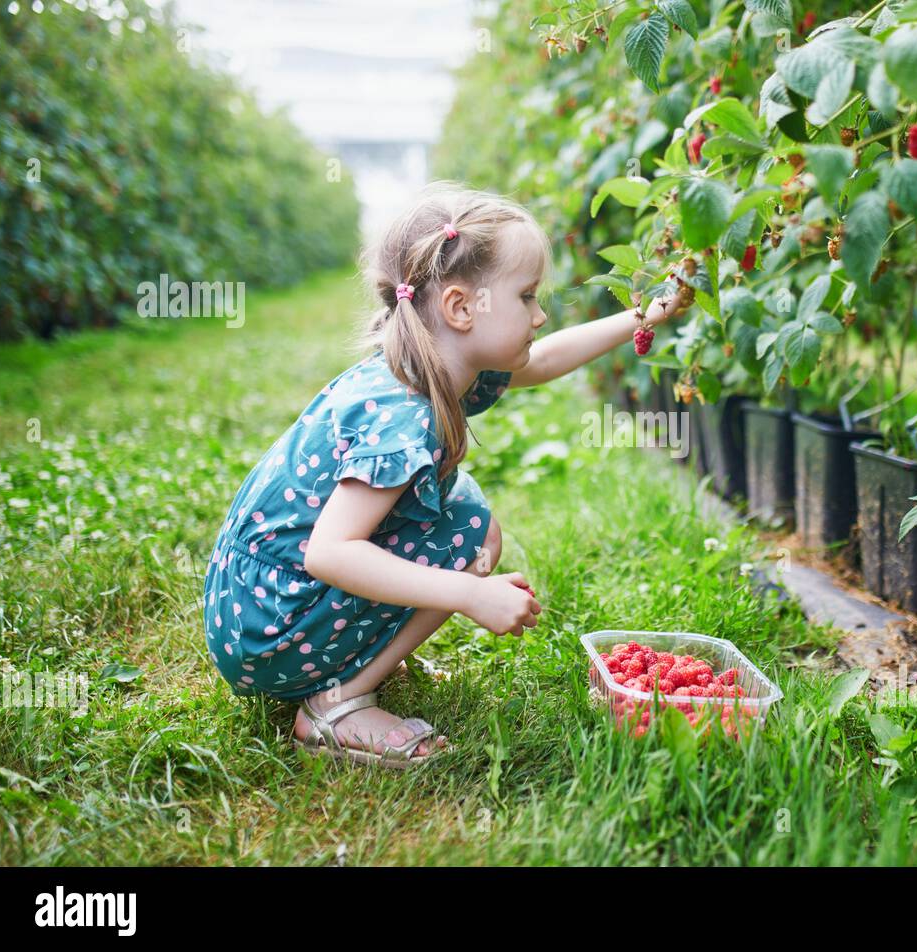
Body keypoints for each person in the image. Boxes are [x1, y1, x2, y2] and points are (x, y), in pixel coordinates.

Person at [201, 180, 690, 768]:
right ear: (462, 308)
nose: (539, 316)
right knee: (468, 535)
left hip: (260, 607)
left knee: (468, 522)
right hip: (266, 626)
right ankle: (335, 702)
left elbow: (546, 358)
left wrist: (645, 315)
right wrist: (469, 594)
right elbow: (329, 553)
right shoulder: (401, 417)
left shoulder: (430, 363)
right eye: (528, 296)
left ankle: (360, 660)